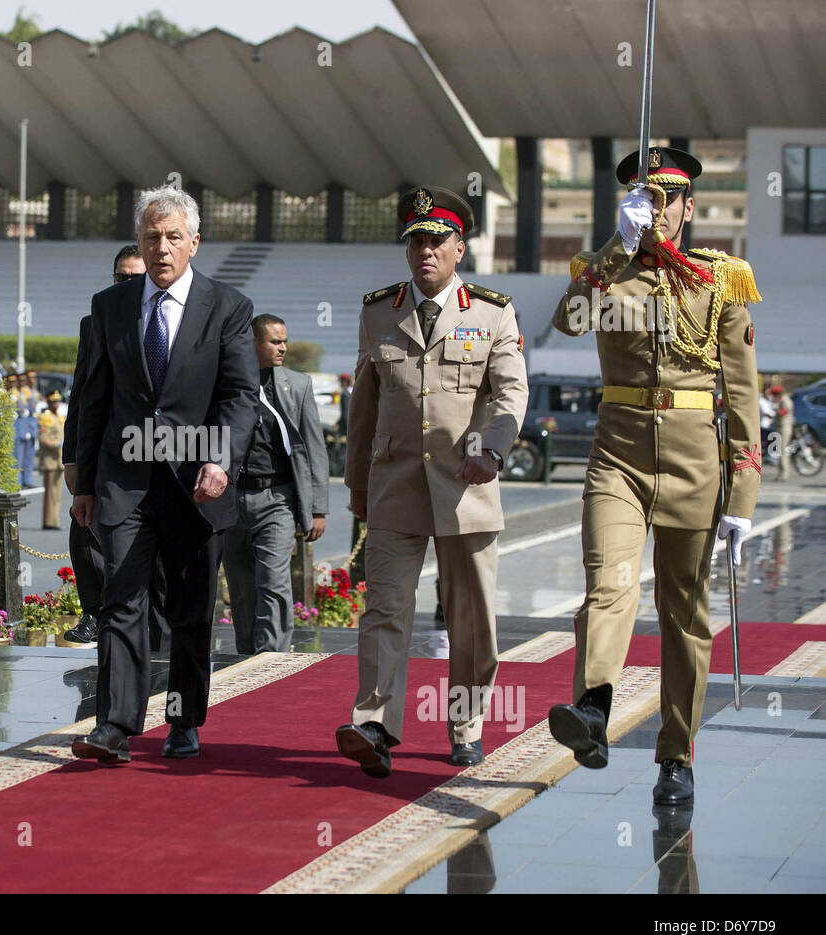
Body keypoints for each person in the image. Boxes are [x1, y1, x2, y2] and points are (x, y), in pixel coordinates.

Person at [545, 147, 761, 807]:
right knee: (608, 586)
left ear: (689, 208)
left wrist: (743, 495)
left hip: (695, 462)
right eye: (647, 199)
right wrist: (619, 242)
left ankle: (676, 756)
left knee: (684, 617)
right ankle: (593, 708)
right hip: (619, 454)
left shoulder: (722, 279)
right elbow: (567, 323)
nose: (658, 210)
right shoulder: (604, 271)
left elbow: (743, 394)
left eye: (669, 199)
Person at [339, 185, 528, 776]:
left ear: (459, 248)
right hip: (394, 486)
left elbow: (511, 393)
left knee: (470, 619)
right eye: (416, 241)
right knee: (385, 608)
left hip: (467, 486)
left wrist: (492, 450)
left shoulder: (492, 312)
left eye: (436, 241)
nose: (425, 251)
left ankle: (466, 726)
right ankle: (375, 725)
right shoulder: (379, 311)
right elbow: (363, 404)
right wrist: (357, 485)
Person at [70, 185, 258, 764]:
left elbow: (239, 395)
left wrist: (220, 460)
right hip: (123, 483)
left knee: (189, 608)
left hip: (196, 483)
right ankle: (115, 725)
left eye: (174, 237)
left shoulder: (228, 307)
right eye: (152, 237)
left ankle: (182, 719)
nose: (162, 247)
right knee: (121, 601)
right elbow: (93, 396)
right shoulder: (110, 306)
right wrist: (83, 483)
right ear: (139, 241)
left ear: (194, 243)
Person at [222, 314, 328, 655]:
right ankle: (247, 656)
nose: (283, 348)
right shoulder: (227, 383)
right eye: (275, 342)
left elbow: (314, 448)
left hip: (277, 499)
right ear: (253, 343)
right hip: (232, 498)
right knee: (241, 586)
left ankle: (272, 658)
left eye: (284, 341)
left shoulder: (298, 385)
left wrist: (318, 508)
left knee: (273, 581)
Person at [62, 246, 147, 644]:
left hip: (154, 447)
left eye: (135, 278)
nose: (126, 284)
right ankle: (94, 612)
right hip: (104, 446)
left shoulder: (169, 321)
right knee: (84, 527)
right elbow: (80, 392)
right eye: (120, 278)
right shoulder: (94, 322)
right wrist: (71, 458)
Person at [38, 391, 65, 529]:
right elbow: (44, 439)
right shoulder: (46, 417)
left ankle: (54, 520)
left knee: (57, 494)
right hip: (50, 459)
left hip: (58, 459)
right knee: (50, 494)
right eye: (54, 401)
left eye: (58, 401)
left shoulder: (59, 417)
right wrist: (57, 444)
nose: (56, 404)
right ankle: (49, 521)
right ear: (48, 403)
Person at [774, 385, 793, 481]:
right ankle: (780, 473)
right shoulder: (781, 400)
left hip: (784, 428)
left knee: (782, 450)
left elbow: (782, 413)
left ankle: (785, 474)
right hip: (779, 427)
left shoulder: (785, 401)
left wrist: (776, 406)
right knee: (779, 451)